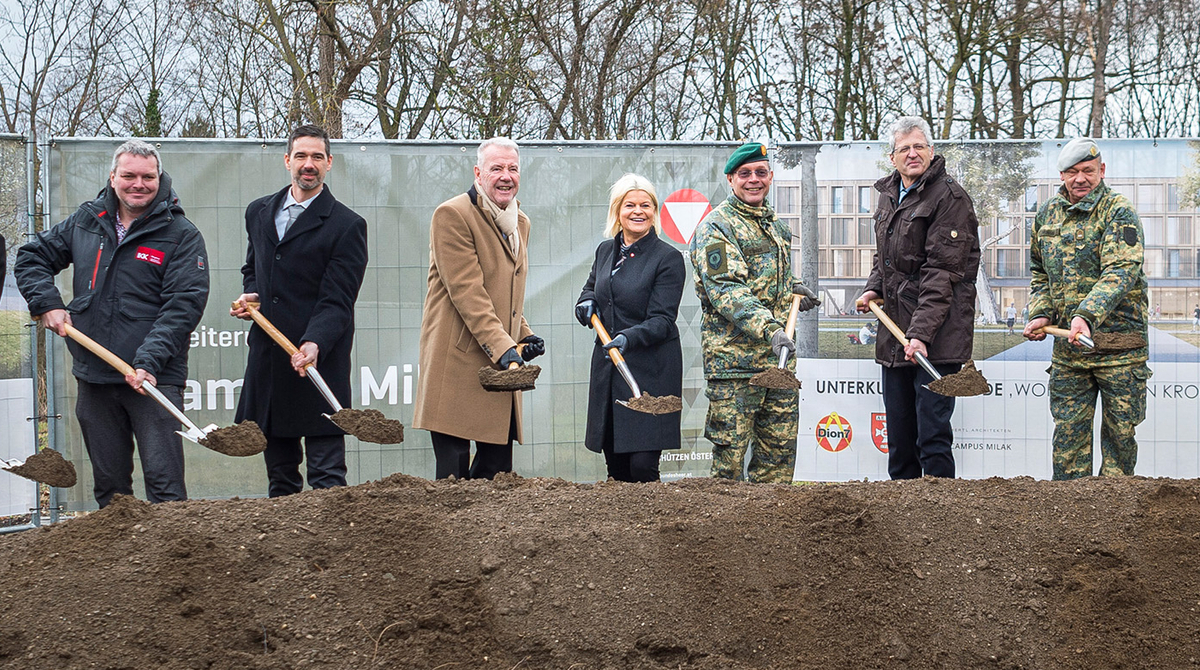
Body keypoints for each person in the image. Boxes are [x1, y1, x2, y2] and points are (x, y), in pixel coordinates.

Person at [15, 140, 209, 507]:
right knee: (110, 490)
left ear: (159, 177)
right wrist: (48, 304)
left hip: (153, 381)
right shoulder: (88, 220)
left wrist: (148, 362)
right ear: (113, 177)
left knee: (165, 486)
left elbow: (183, 306)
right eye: (129, 176)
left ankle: (174, 561)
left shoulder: (180, 235)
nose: (139, 184)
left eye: (148, 177)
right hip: (95, 376)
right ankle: (121, 564)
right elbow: (32, 257)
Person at [231, 124, 368, 497]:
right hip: (271, 362)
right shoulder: (258, 212)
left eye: (317, 157)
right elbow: (252, 269)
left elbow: (338, 299)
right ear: (287, 160)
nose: (309, 164)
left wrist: (313, 342)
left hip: (317, 361)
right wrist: (251, 295)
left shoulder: (347, 225)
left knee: (326, 481)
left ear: (329, 164)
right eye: (302, 156)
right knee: (281, 479)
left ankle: (332, 551)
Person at [854, 116, 980, 480]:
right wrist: (872, 287)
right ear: (892, 157)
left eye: (919, 147)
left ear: (931, 152)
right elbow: (886, 257)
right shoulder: (888, 194)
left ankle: (940, 519)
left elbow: (943, 274)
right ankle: (902, 519)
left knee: (933, 437)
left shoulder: (950, 198)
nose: (913, 154)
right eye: (904, 148)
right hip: (895, 338)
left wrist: (921, 335)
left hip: (937, 341)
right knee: (900, 439)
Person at [413, 137, 545, 479]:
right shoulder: (452, 214)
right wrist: (505, 349)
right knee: (454, 475)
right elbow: (467, 292)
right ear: (478, 173)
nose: (506, 176)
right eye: (496, 168)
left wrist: (524, 335)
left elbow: (505, 294)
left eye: (513, 169)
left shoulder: (521, 223)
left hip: (497, 362)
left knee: (497, 473)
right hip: (456, 361)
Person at [688, 143, 819, 483]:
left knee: (777, 462)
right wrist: (771, 328)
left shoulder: (777, 227)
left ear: (771, 177)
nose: (753, 180)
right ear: (731, 179)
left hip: (778, 365)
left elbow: (767, 280)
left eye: (761, 173)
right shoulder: (716, 228)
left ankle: (773, 533)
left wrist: (793, 286)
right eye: (745, 174)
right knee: (728, 468)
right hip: (735, 368)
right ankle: (724, 535)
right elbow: (727, 290)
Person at [1022, 138, 1150, 480]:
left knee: (1119, 443)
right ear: (1061, 174)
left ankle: (1115, 523)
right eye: (1073, 172)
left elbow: (1121, 270)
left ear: (1101, 171)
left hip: (1119, 350)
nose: (1081, 179)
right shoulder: (1047, 213)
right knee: (1068, 444)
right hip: (1070, 352)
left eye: (1088, 171)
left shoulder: (1118, 211)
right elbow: (1039, 271)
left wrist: (1084, 316)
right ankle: (1068, 523)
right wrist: (1040, 312)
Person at [575, 174, 685, 482]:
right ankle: (622, 528)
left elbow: (663, 319)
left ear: (654, 211)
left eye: (645, 205)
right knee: (617, 466)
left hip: (650, 372)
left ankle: (651, 525)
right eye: (630, 205)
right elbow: (592, 288)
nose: (638, 211)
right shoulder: (605, 252)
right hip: (611, 372)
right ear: (617, 211)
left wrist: (627, 337)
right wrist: (585, 304)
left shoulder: (668, 258)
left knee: (641, 465)